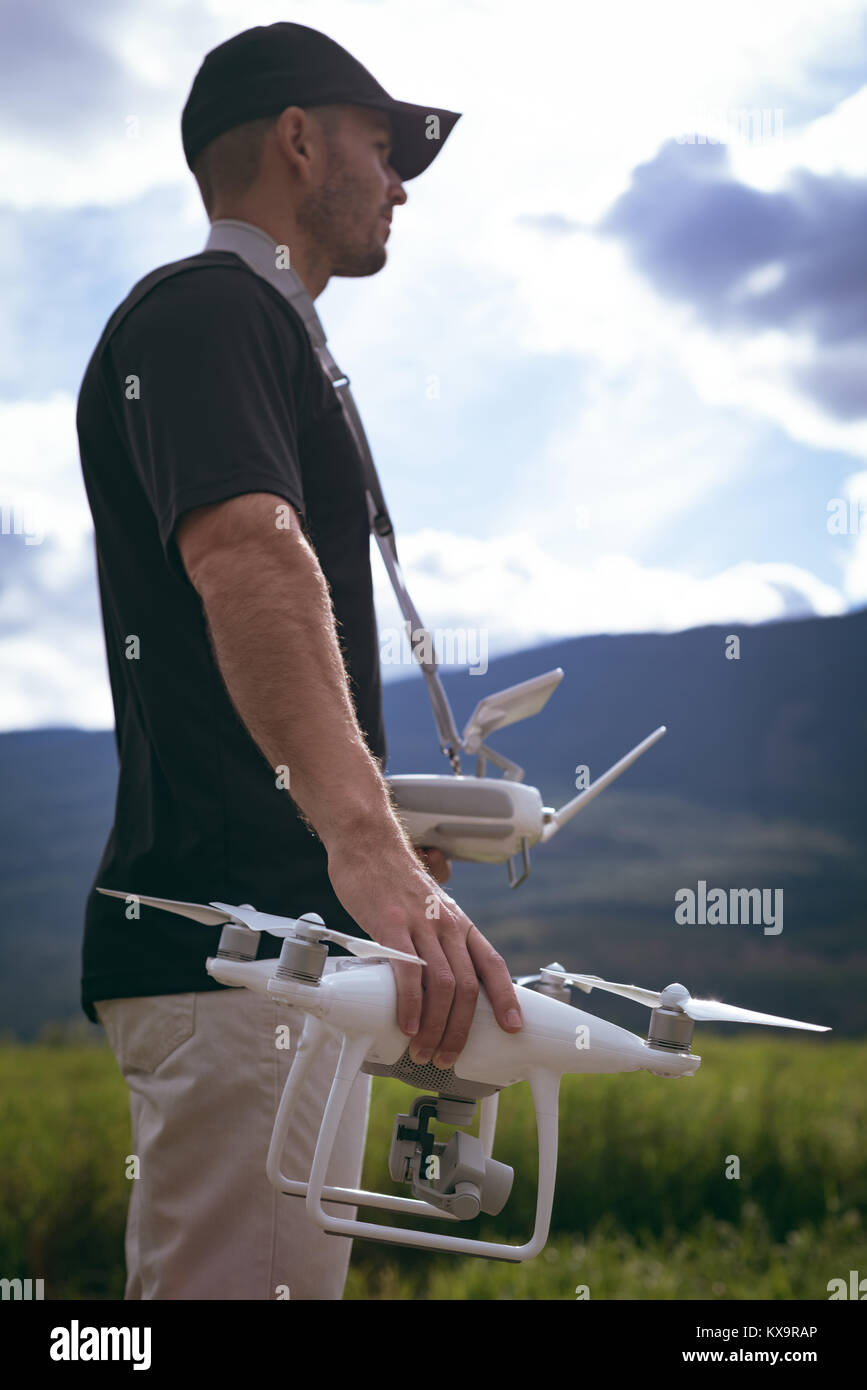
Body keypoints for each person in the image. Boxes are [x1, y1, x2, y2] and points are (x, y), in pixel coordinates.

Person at [75, 21, 523, 1301]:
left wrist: (376, 828)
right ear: (298, 140)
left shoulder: (244, 328)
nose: (400, 187)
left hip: (271, 954)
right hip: (244, 952)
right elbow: (255, 561)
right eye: (386, 152)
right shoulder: (209, 309)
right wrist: (372, 855)